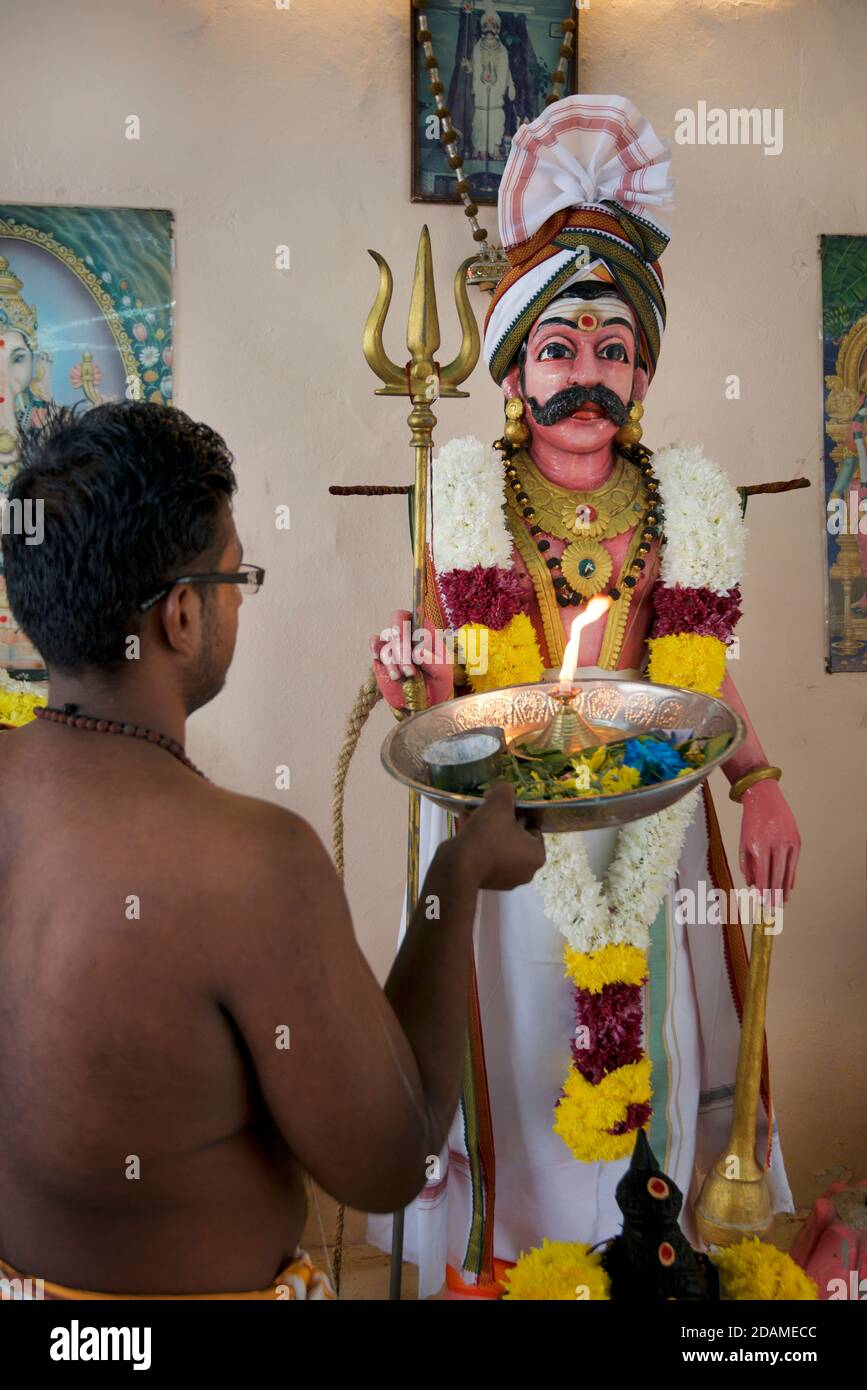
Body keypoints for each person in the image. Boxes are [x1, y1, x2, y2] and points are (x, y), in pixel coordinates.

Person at [369, 94, 801, 1299]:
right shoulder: (465, 500)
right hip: (506, 841)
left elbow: (700, 662)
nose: (587, 377)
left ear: (642, 372)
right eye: (560, 349)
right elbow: (442, 668)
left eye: (614, 351)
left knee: (650, 1058)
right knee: (516, 1054)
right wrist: (408, 669)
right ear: (515, 373)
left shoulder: (676, 506)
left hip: (651, 827)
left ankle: (641, 1264)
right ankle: (516, 1269)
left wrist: (758, 782)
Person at [0, 401, 545, 1300]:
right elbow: (390, 1164)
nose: (234, 604)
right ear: (180, 616)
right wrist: (460, 874)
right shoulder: (248, 861)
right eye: (232, 578)